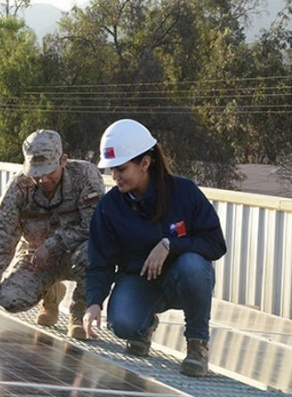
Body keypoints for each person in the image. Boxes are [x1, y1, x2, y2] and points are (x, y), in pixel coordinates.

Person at [81, 119, 227, 377]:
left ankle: (197, 345)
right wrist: (94, 302)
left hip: (181, 280)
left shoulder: (184, 192)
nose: (115, 177)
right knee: (123, 323)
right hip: (139, 281)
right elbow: (100, 260)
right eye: (112, 170)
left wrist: (171, 245)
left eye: (121, 169)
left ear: (145, 164)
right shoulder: (110, 207)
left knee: (194, 264)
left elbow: (215, 244)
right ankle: (144, 325)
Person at [0, 129, 105, 340]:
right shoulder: (18, 188)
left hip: (76, 253)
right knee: (11, 299)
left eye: (49, 171)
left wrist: (52, 245)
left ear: (63, 160)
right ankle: (51, 294)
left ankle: (78, 314)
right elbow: (2, 237)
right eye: (37, 173)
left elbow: (93, 227)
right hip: (36, 257)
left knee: (93, 254)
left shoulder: (85, 176)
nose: (43, 179)